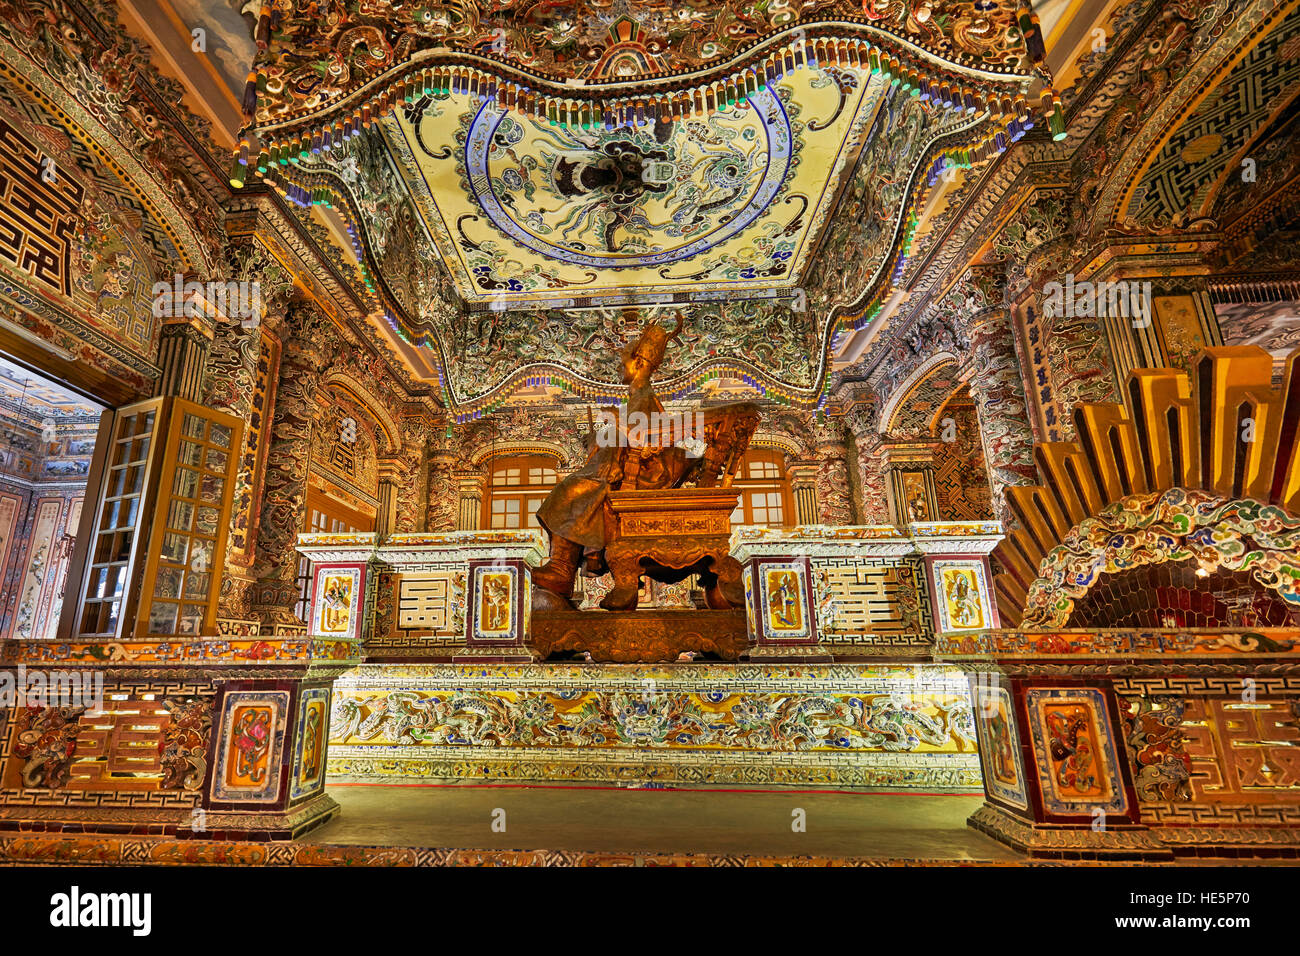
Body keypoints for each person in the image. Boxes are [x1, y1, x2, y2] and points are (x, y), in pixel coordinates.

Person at [532, 313, 691, 605]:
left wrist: (613, 421)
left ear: (639, 363)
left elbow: (642, 438)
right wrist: (606, 428)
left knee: (571, 489)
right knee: (573, 487)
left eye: (624, 361)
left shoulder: (644, 394)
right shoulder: (636, 396)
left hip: (643, 472)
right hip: (627, 465)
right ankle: (561, 569)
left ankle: (562, 570)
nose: (620, 367)